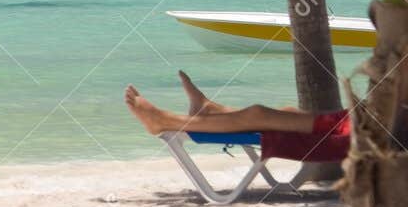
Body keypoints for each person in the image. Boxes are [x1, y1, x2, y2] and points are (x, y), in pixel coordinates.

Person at [124, 71, 353, 160]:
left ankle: (164, 120)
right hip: (354, 123)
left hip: (355, 132)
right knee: (287, 112)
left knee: (258, 114)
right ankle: (212, 109)